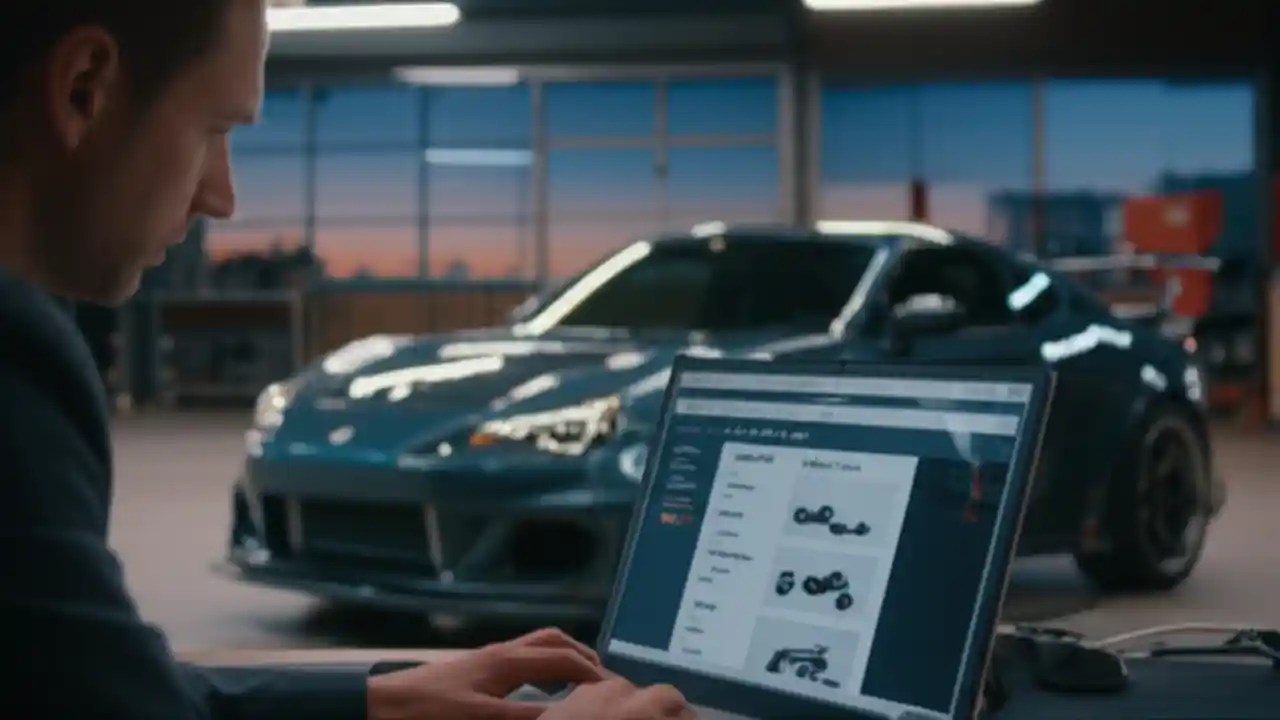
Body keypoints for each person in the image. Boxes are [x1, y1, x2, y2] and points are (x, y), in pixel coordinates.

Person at [0, 2, 695, 719]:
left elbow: (84, 687)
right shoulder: (16, 354)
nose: (223, 196)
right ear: (85, 89)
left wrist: (375, 699)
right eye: (213, 130)